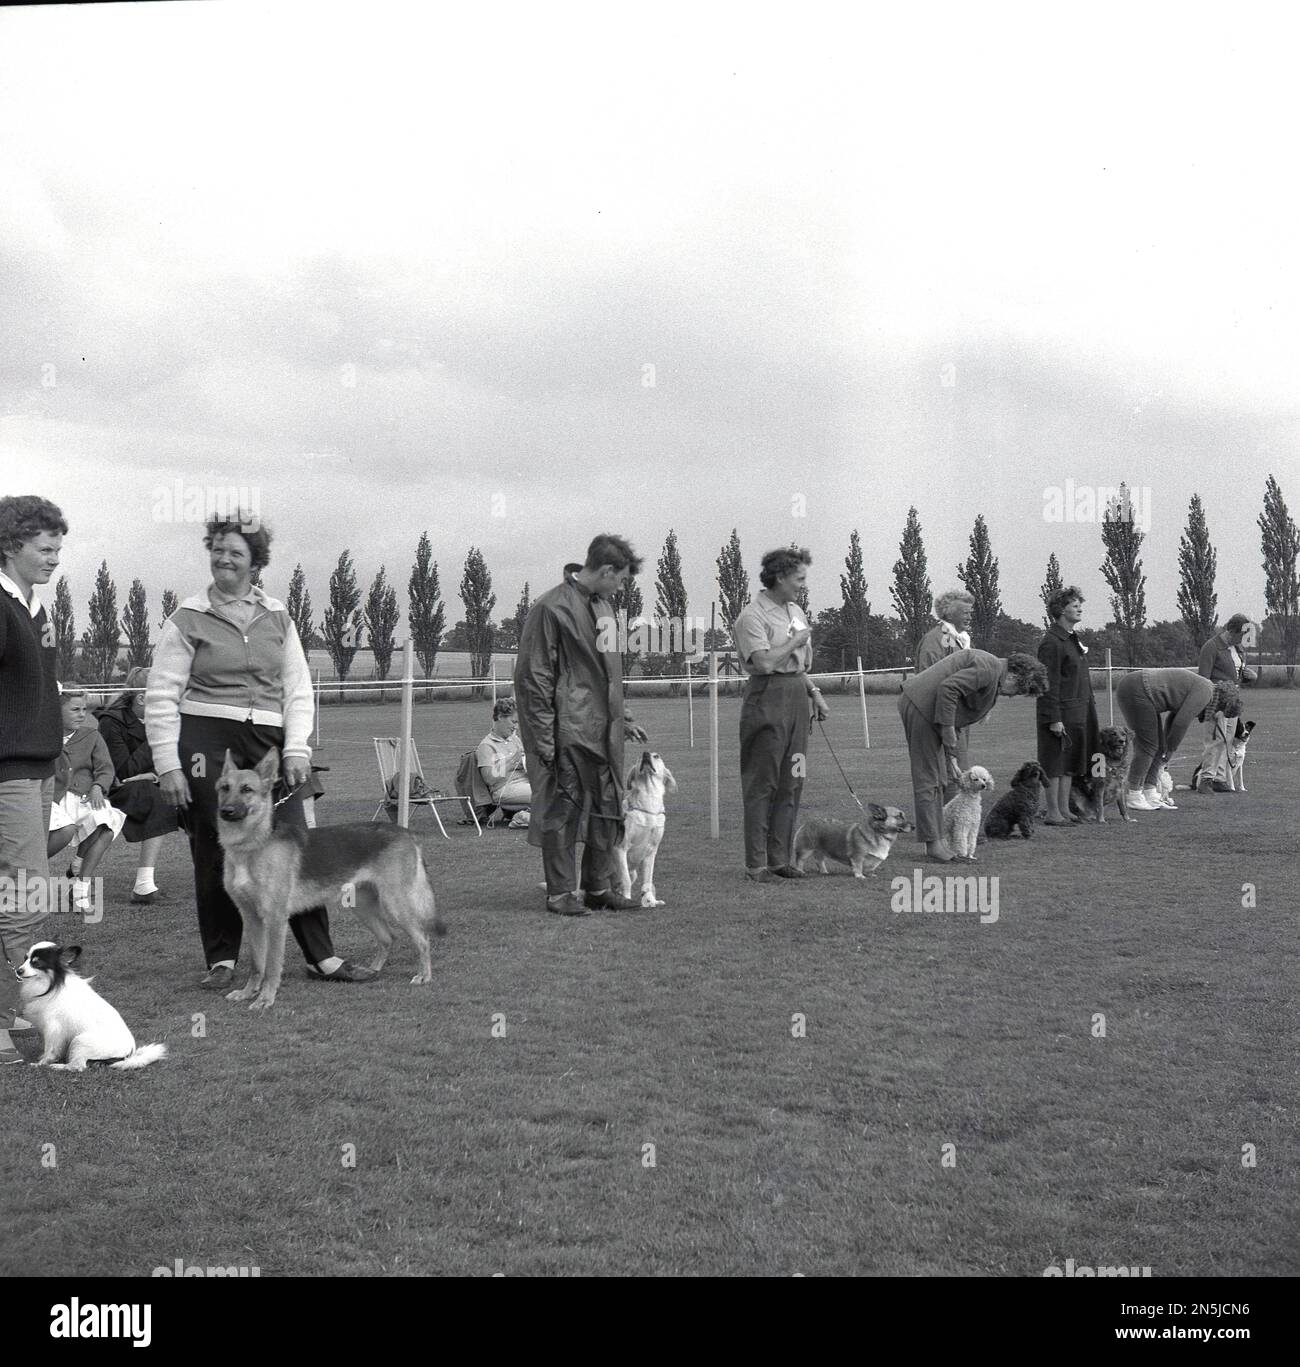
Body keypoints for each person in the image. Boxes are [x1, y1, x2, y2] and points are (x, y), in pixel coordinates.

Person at [146, 511, 376, 987]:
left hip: (268, 740)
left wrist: (296, 747)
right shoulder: (187, 618)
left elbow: (297, 688)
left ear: (255, 563)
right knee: (214, 850)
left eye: (236, 552)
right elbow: (162, 693)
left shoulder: (278, 616)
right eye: (218, 549)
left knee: (293, 843)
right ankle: (223, 960)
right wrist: (168, 763)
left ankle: (321, 956)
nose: (224, 558)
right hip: (206, 741)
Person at [514, 534, 648, 915]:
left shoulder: (604, 608)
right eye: (620, 579)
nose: (621, 587)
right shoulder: (550, 608)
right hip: (566, 730)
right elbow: (534, 678)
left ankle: (597, 886)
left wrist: (624, 718)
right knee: (563, 809)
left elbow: (605, 676)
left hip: (604, 733)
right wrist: (543, 740)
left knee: (607, 806)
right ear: (606, 570)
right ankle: (559, 893)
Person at [0, 495, 66, 1065]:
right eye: (45, 548)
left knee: (21, 892)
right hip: (8, 773)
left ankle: (10, 1008)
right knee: (22, 895)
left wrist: (59, 757)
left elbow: (43, 694)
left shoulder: (35, 609)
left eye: (59, 549)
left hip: (37, 770)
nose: (55, 558)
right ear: (10, 545)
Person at [732, 546, 830, 883]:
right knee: (763, 783)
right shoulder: (752, 617)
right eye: (799, 578)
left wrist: (813, 692)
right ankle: (756, 865)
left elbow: (799, 665)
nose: (803, 584)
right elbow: (764, 663)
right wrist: (795, 640)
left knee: (793, 779)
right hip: (767, 697)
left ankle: (779, 859)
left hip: (797, 698)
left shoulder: (795, 609)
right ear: (780, 577)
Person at [898, 649, 1049, 861]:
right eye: (1016, 690)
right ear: (1014, 675)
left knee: (940, 777)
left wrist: (951, 755)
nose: (1011, 695)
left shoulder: (993, 672)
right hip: (921, 707)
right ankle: (934, 846)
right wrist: (948, 730)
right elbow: (948, 689)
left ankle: (939, 841)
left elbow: (960, 708)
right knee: (929, 778)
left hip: (928, 710)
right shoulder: (988, 669)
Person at [96, 666, 178, 903]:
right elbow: (123, 772)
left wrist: (152, 775)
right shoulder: (111, 722)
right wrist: (155, 735)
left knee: (190, 797)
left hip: (148, 783)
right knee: (159, 797)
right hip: (114, 789)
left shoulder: (160, 720)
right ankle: (143, 886)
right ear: (141, 698)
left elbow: (174, 760)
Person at [48, 689, 126, 914]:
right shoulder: (46, 737)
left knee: (106, 824)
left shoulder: (92, 736)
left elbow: (105, 768)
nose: (82, 714)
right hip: (54, 798)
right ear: (57, 710)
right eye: (75, 709)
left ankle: (81, 886)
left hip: (85, 796)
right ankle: (25, 869)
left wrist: (98, 786)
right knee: (63, 830)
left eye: (84, 709)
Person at [1115, 668, 1232, 811]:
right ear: (1223, 703)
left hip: (1141, 689)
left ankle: (1150, 792)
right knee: (1147, 746)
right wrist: (1170, 750)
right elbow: (1181, 722)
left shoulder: (1206, 690)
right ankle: (1133, 794)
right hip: (1137, 688)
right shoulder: (1206, 692)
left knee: (1159, 746)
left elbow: (1174, 717)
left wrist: (1166, 748)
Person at [1036, 586, 1099, 825]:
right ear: (1060, 610)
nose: (1080, 608)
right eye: (1074, 605)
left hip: (1078, 711)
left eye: (1079, 604)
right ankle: (1052, 812)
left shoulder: (1072, 640)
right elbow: (1047, 684)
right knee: (1054, 763)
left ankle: (1064, 810)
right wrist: (1053, 717)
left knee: (1069, 762)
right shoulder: (1051, 643)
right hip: (1060, 712)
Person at [915, 588, 975, 801]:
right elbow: (927, 681)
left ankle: (955, 825)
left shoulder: (962, 640)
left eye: (971, 611)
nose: (970, 615)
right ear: (949, 613)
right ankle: (949, 826)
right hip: (942, 717)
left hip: (959, 716)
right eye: (965, 611)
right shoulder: (936, 640)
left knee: (958, 768)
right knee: (950, 770)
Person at [1195, 613, 1257, 793]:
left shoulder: (1238, 649)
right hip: (1216, 701)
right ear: (1231, 630)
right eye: (1240, 635)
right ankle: (1206, 779)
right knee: (1215, 739)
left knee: (1228, 739)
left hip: (1233, 703)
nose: (1242, 640)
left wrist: (1248, 676)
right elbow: (1203, 679)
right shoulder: (1211, 647)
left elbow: (1235, 674)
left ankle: (1220, 778)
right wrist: (1210, 703)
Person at [476, 697, 531, 814]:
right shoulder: (487, 745)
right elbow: (490, 779)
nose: (515, 727)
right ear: (500, 717)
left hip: (525, 782)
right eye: (513, 722)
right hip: (505, 789)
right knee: (547, 793)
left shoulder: (514, 739)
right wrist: (513, 761)